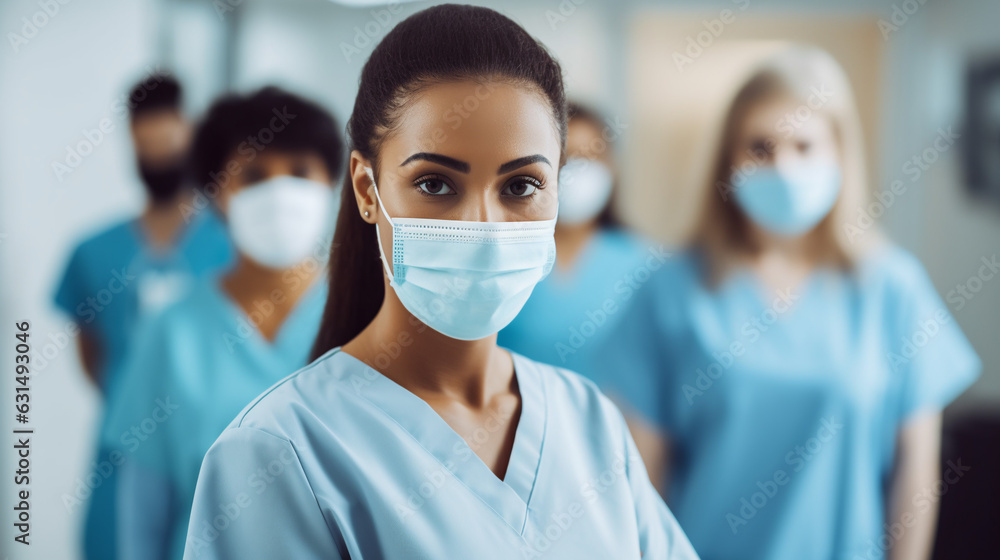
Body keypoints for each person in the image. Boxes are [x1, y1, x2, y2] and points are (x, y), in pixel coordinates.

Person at [183, 5, 699, 559]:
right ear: (366, 189)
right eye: (435, 184)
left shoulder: (589, 422)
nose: (483, 228)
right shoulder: (280, 451)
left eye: (521, 186)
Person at [593, 46, 981, 560]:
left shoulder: (891, 288)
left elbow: (916, 470)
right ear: (728, 160)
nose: (783, 166)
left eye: (804, 146)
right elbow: (644, 479)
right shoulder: (670, 289)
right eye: (760, 147)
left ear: (840, 155)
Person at [102, 86, 344, 560]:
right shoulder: (172, 331)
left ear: (334, 182)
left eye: (300, 171)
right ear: (215, 192)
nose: (279, 194)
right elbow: (145, 513)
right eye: (253, 175)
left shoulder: (371, 318)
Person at [52, 74, 233, 560]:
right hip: (121, 447)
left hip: (211, 448)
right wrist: (137, 403)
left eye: (168, 143)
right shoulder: (94, 253)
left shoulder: (232, 246)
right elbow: (92, 355)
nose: (159, 158)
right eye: (146, 146)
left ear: (189, 136)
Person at [498, 102, 662, 378]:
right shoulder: (506, 256)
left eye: (590, 157)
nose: (577, 171)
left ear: (612, 167)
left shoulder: (642, 262)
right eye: (566, 159)